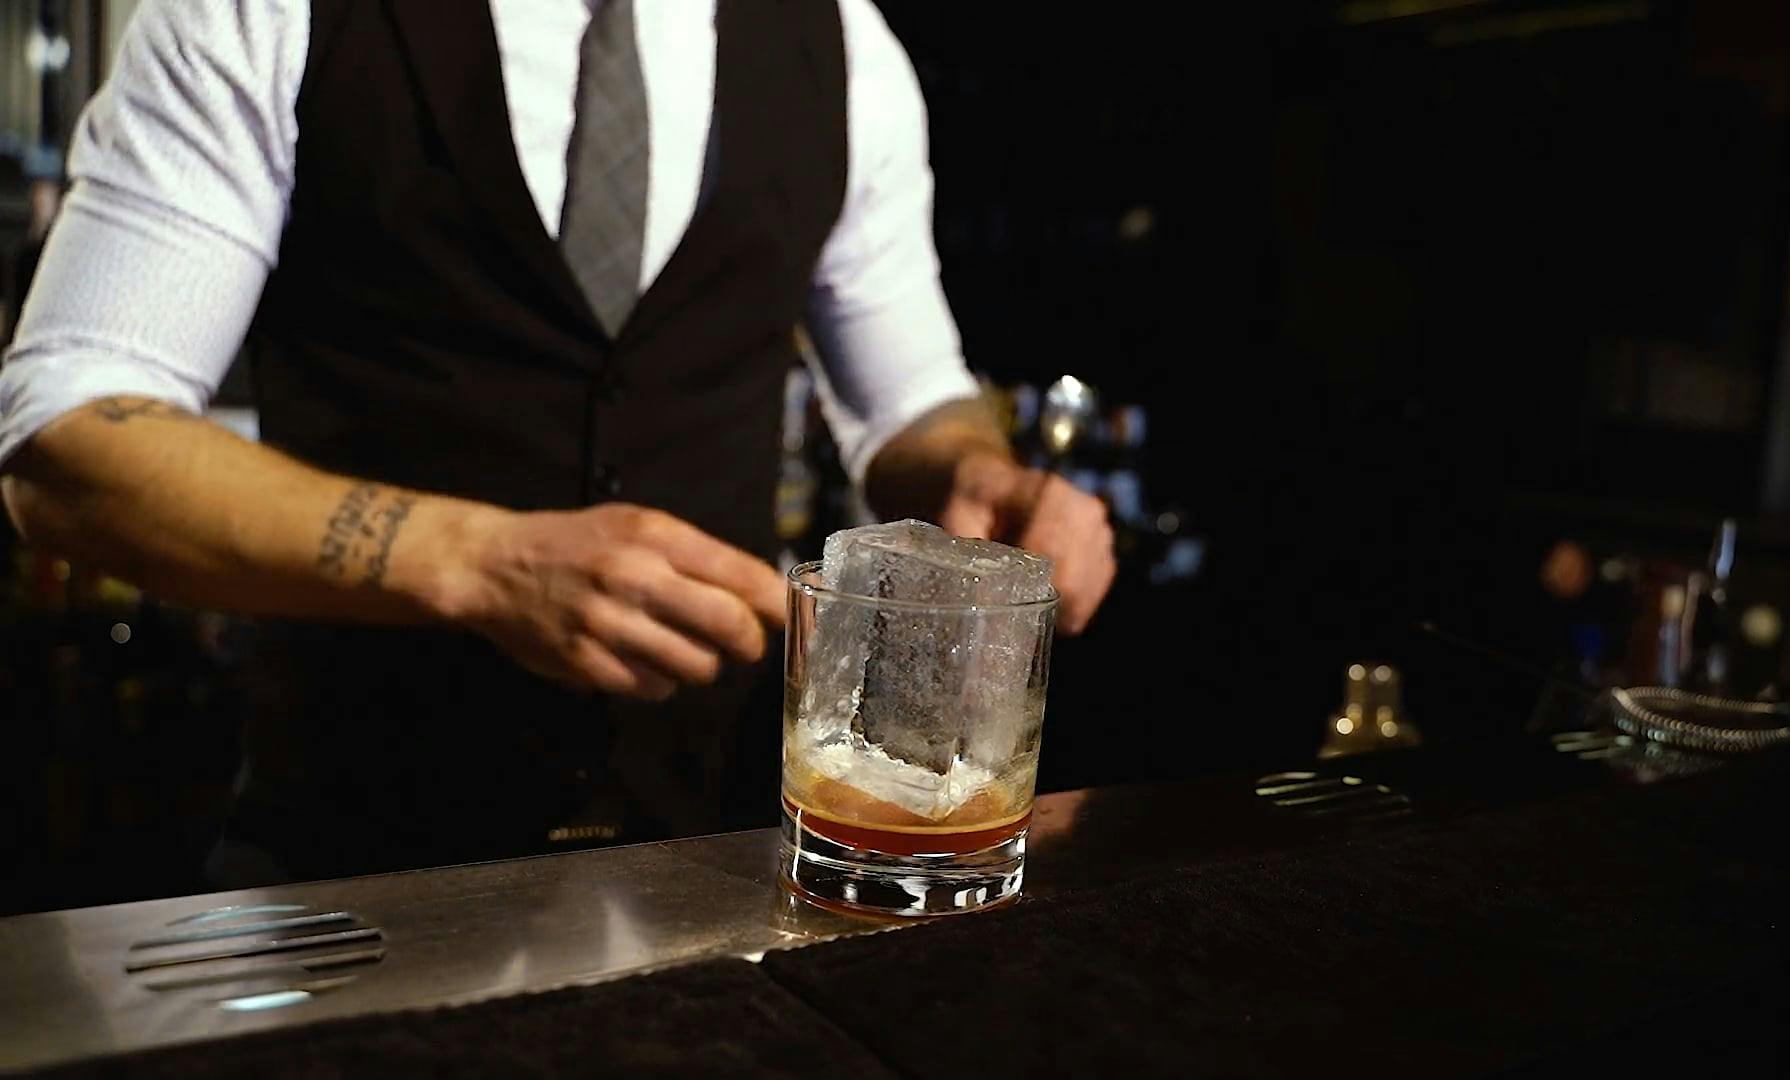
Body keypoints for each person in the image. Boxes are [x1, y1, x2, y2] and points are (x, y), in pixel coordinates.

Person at [0, 0, 1115, 883]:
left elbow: (913, 399)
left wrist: (969, 469)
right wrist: (478, 562)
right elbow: (69, 435)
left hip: (716, 856)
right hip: (357, 854)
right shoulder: (260, 12)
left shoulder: (842, 41)